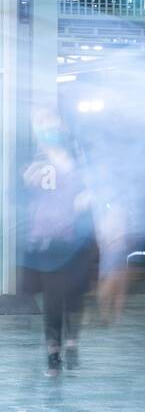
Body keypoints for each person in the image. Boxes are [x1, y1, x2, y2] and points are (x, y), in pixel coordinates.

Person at [21, 108, 97, 378]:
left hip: (76, 239)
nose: (47, 130)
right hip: (47, 241)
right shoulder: (35, 163)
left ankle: (72, 341)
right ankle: (54, 355)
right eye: (41, 125)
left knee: (74, 295)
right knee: (53, 299)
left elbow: (93, 188)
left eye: (51, 124)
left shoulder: (78, 159)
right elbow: (26, 192)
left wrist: (86, 196)